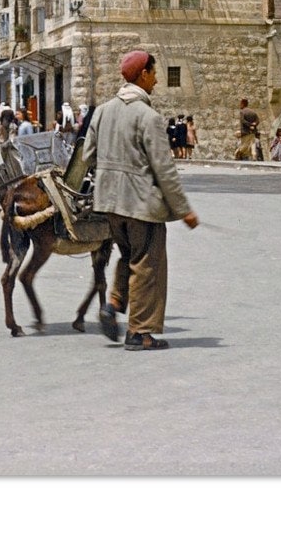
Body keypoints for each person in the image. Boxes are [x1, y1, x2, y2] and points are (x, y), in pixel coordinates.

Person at [82, 50, 199, 351]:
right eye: (154, 73)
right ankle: (140, 333)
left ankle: (114, 303)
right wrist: (184, 210)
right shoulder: (149, 117)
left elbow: (87, 156)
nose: (157, 79)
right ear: (143, 75)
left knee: (130, 254)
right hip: (140, 205)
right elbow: (164, 169)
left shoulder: (103, 112)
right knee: (148, 264)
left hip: (109, 203)